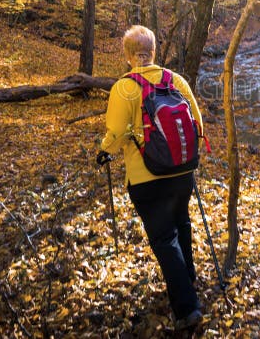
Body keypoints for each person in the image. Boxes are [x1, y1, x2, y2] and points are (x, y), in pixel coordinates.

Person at [96, 25, 203, 331]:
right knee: (181, 223)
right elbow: (197, 121)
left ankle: (187, 308)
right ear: (154, 51)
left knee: (163, 237)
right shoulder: (176, 80)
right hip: (183, 170)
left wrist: (105, 151)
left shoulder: (125, 87)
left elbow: (115, 133)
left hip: (147, 176)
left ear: (129, 55)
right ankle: (188, 278)